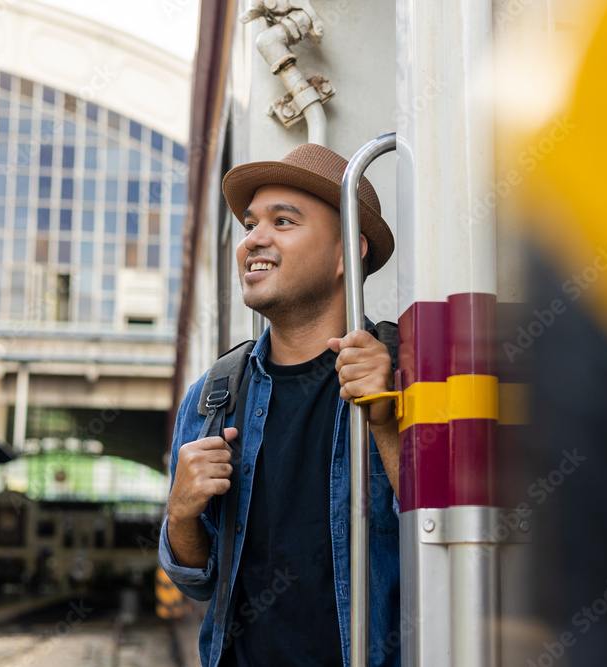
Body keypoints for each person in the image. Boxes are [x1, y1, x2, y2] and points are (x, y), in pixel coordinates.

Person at [158, 143, 401, 667]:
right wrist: (180, 514)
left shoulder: (408, 375)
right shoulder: (211, 395)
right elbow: (193, 581)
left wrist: (386, 424)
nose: (252, 240)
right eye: (250, 225)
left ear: (345, 254)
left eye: (283, 221)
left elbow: (447, 542)